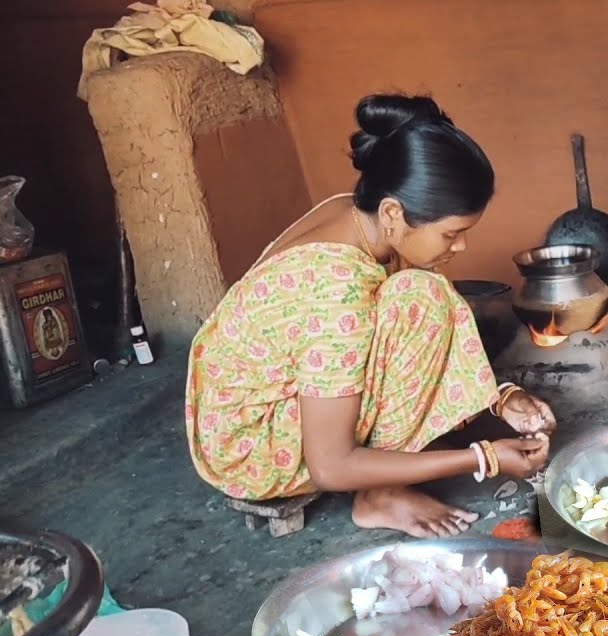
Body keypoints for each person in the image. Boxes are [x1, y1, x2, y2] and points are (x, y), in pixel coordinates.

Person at [185, 93, 556, 538]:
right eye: (452, 233)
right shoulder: (337, 289)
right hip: (251, 447)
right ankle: (380, 496)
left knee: (419, 293)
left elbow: (387, 339)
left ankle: (388, 477)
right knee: (423, 300)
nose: (461, 247)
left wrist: (499, 398)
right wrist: (485, 457)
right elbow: (331, 465)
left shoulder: (352, 210)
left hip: (249, 402)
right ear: (393, 213)